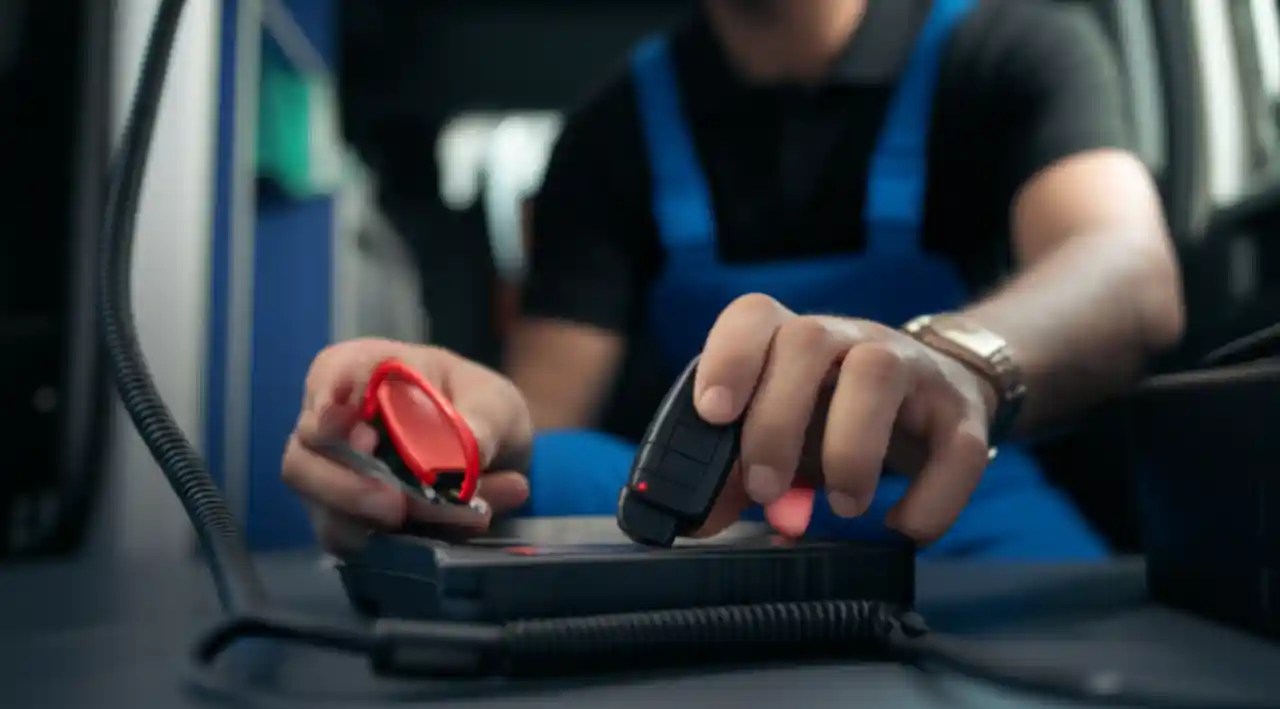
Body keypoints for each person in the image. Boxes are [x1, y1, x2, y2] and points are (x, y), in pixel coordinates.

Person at [283, 0, 1184, 559]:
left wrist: (956, 363)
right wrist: (454, 471)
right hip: (715, 516)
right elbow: (544, 415)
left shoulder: (1013, 51)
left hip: (961, 510)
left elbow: (1129, 274)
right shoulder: (609, 134)